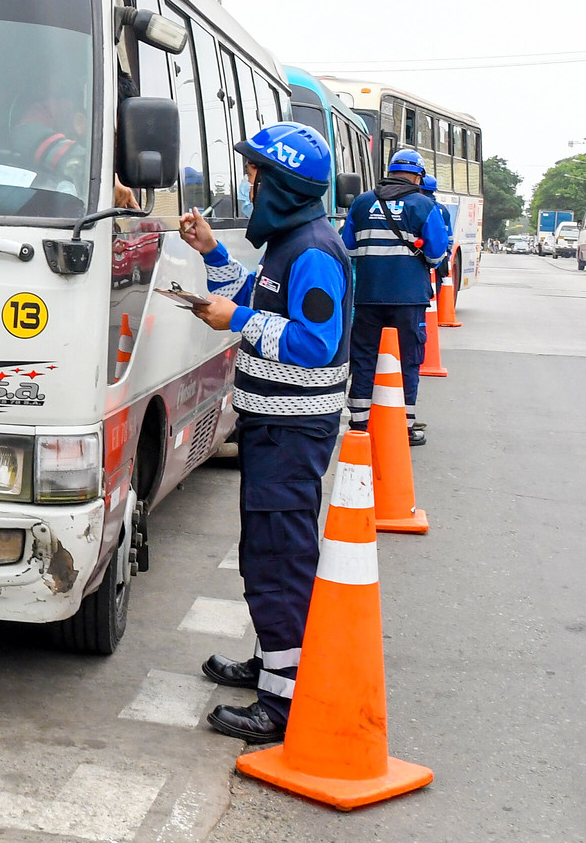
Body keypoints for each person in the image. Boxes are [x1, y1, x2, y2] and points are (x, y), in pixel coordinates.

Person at [176, 123, 352, 745]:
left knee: (279, 559)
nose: (248, 185)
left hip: (292, 430)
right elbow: (251, 295)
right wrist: (210, 254)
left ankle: (281, 705)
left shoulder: (313, 251)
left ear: (280, 183)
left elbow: (314, 343)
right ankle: (273, 666)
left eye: (254, 175)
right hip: (271, 427)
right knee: (266, 553)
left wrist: (239, 320)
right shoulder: (285, 243)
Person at [341, 148, 450, 446]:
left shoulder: (362, 203)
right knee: (408, 361)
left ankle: (360, 424)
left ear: (390, 171)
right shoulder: (423, 205)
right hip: (409, 299)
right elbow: (437, 252)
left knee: (364, 359)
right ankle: (403, 427)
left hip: (367, 297)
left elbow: (347, 247)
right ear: (419, 176)